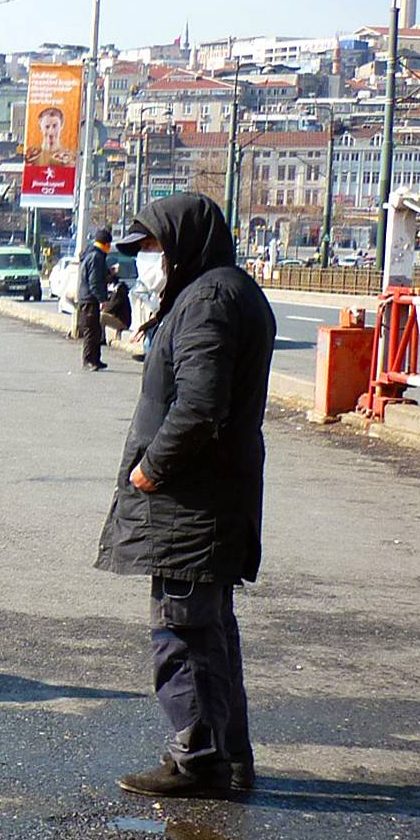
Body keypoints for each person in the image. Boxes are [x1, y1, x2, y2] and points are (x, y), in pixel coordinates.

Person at [95, 193, 276, 799]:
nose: (145, 260)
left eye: (150, 248)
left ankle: (197, 758)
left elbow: (200, 405)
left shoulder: (207, 301)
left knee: (184, 632)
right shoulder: (223, 291)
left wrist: (150, 470)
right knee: (212, 632)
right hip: (209, 499)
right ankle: (227, 756)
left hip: (190, 504)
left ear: (181, 243)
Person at [75, 226, 116, 371]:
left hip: (88, 298)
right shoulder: (96, 257)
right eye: (109, 245)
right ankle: (88, 361)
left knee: (96, 331)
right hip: (89, 300)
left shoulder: (93, 254)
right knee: (90, 331)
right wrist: (102, 299)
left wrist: (109, 273)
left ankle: (96, 360)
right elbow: (94, 281)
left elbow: (99, 277)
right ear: (106, 244)